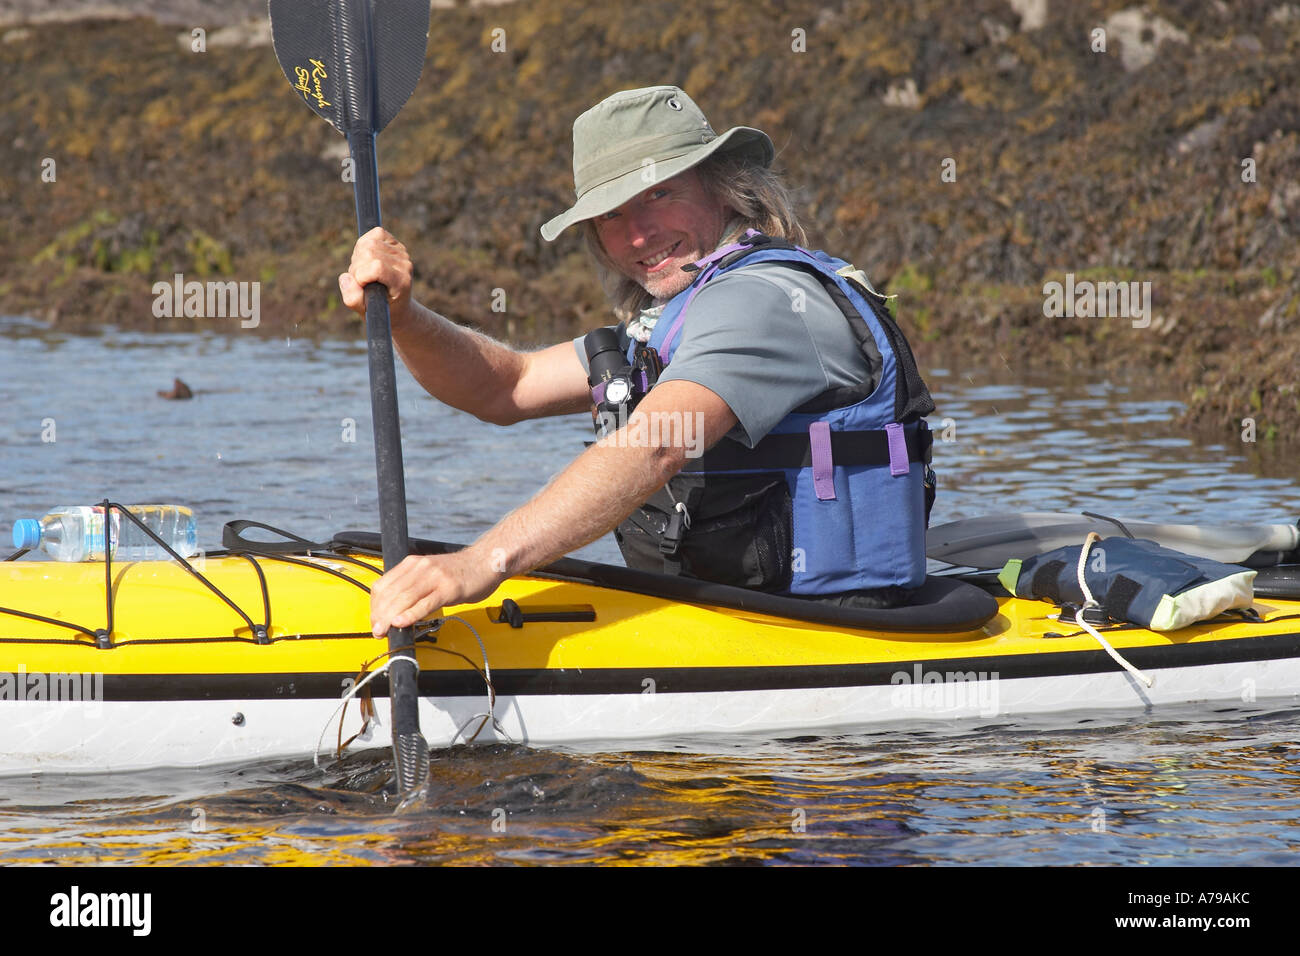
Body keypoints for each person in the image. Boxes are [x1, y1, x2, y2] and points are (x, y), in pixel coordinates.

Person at [341, 86, 935, 639]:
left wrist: (481, 564)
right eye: (611, 215)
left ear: (725, 186)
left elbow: (657, 443)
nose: (637, 235)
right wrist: (403, 314)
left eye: (659, 194)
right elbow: (505, 387)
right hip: (728, 611)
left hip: (829, 627)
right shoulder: (678, 314)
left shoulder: (762, 302)